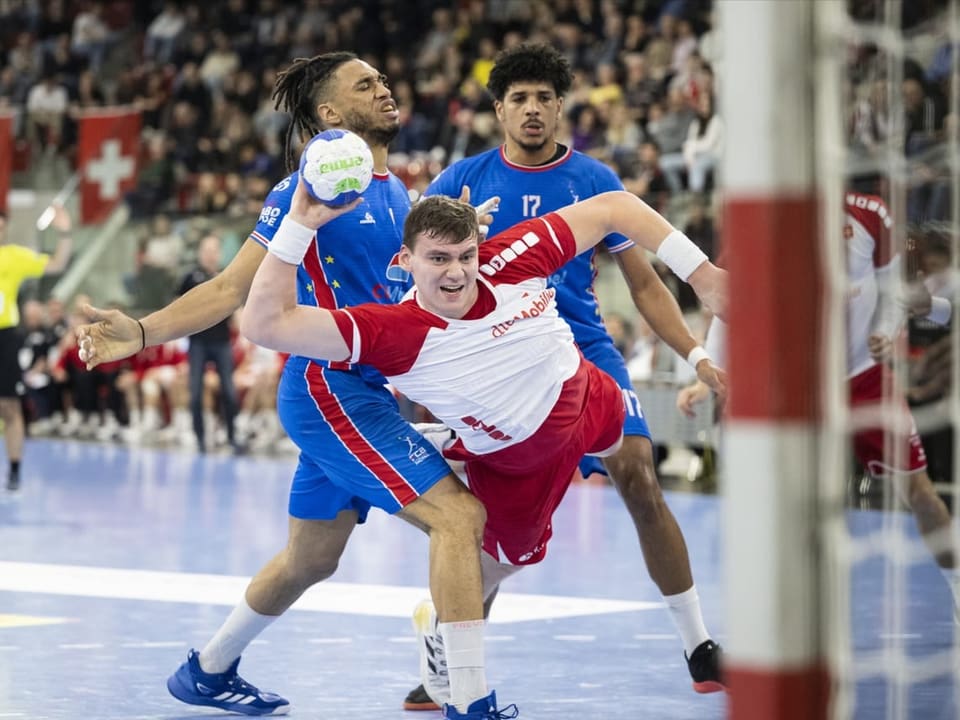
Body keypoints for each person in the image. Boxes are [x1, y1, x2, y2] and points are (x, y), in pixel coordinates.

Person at [75, 52, 502, 719]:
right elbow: (229, 288)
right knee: (459, 516)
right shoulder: (312, 191)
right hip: (332, 392)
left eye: (384, 80)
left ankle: (207, 671)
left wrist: (462, 245)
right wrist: (142, 330)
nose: (385, 89)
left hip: (363, 393)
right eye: (366, 85)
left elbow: (414, 305)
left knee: (311, 559)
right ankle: (472, 704)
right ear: (330, 114)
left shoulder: (398, 193)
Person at [242, 184, 727, 713]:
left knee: (639, 475)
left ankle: (698, 644)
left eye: (465, 255)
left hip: (590, 392)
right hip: (524, 462)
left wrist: (702, 275)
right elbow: (266, 324)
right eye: (438, 259)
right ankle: (442, 623)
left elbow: (615, 207)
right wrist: (297, 226)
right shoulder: (394, 331)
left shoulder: (510, 256)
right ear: (405, 261)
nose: (456, 272)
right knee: (503, 562)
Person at [416, 41, 726, 711]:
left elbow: (643, 286)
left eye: (544, 98)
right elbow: (408, 272)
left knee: (641, 476)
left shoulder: (593, 180)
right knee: (501, 523)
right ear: (498, 110)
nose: (532, 109)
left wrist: (698, 356)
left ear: (561, 108)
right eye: (519, 98)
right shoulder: (461, 182)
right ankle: (448, 655)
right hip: (500, 363)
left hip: (584, 348)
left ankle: (699, 644)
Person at [678, 192, 960, 618]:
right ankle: (784, 613)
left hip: (864, 378)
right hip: (798, 389)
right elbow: (722, 305)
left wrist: (885, 331)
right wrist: (707, 373)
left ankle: (957, 587)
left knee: (919, 494)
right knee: (788, 505)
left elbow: (892, 291)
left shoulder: (869, 214)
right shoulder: (759, 221)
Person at [0, 205, 72, 491]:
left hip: (5, 337)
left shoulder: (13, 257)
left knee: (9, 405)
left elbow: (57, 263)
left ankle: (15, 469)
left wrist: (64, 231)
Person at [177, 234, 241, 452]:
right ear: (200, 253)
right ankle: (200, 438)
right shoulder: (190, 278)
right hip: (198, 343)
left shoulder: (226, 277)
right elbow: (178, 308)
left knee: (230, 391)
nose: (211, 255)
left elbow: (235, 309)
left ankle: (232, 436)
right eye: (207, 250)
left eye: (215, 250)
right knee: (195, 392)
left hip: (222, 342)